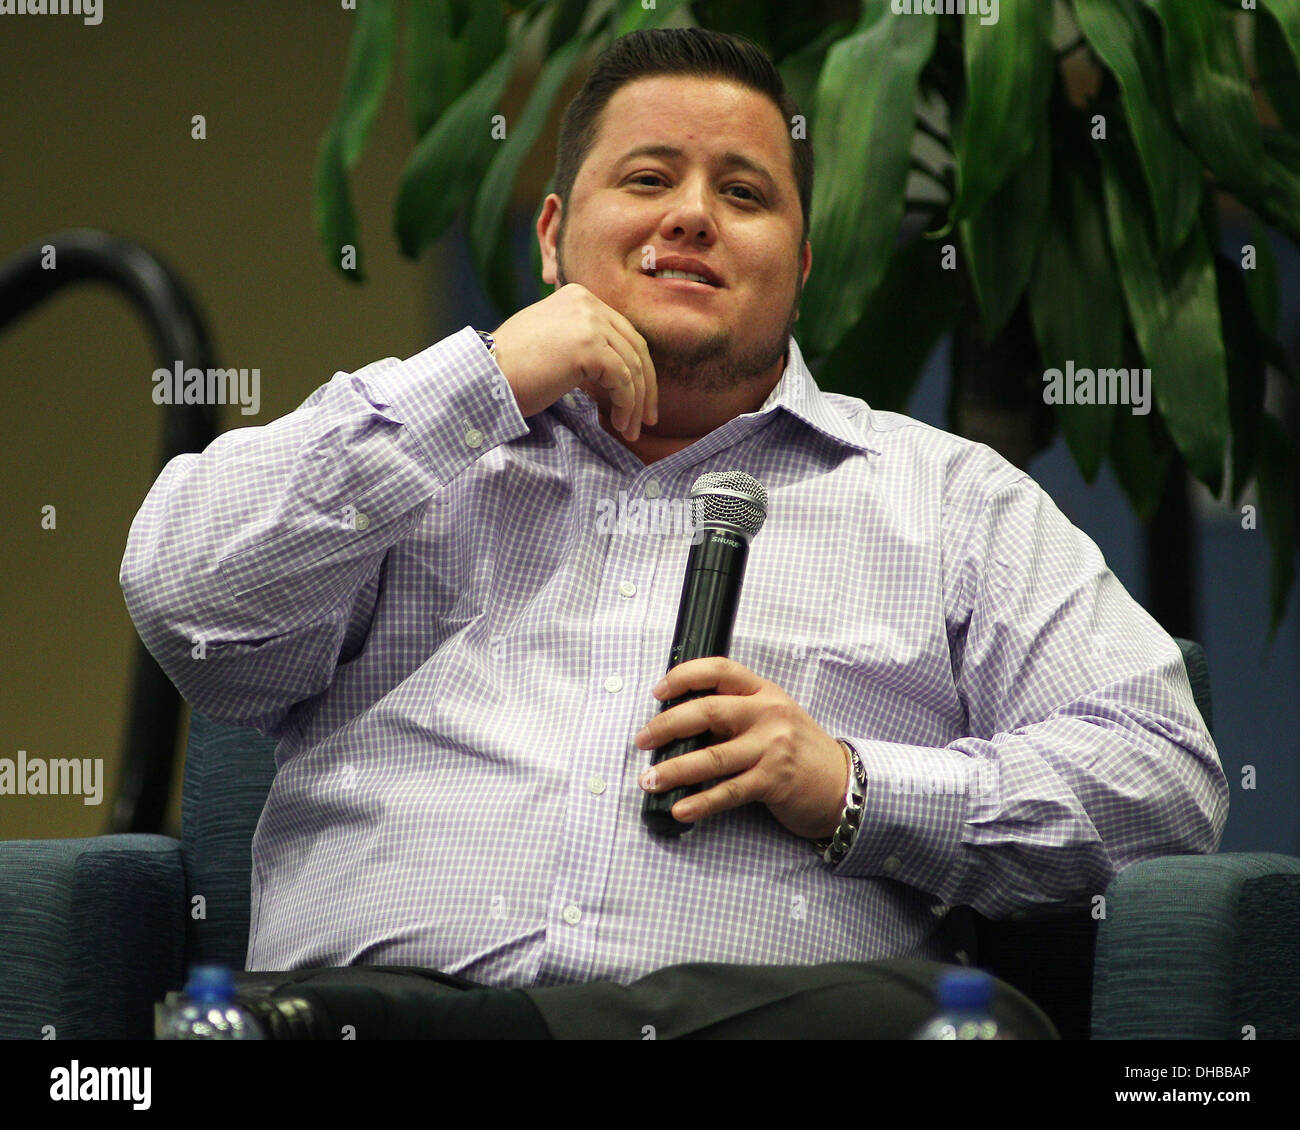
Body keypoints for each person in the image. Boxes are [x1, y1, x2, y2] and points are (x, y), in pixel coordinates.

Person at [119, 27, 1226, 1039]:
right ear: (553, 236)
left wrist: (853, 788)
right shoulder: (409, 440)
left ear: (797, 268)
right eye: (647, 178)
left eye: (743, 192)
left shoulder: (948, 501)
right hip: (389, 1002)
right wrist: (484, 382)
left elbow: (1162, 782)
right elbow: (184, 597)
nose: (691, 213)